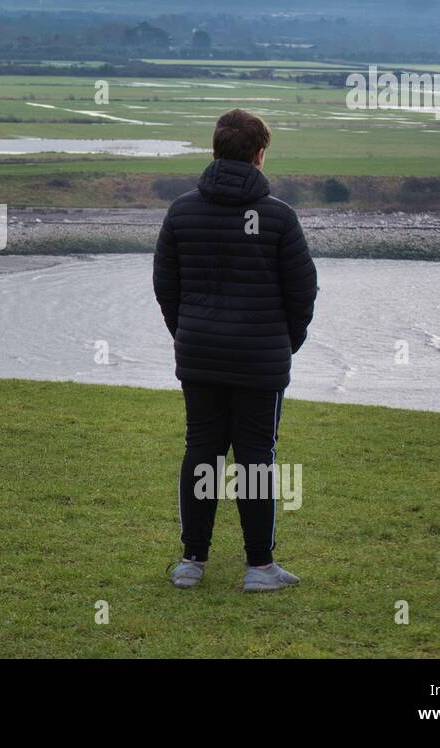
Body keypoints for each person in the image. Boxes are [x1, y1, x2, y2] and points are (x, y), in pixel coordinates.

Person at [153, 109, 317, 592]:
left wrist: (186, 332)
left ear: (214, 149)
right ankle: (259, 567)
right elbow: (302, 292)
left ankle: (191, 561)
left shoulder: (182, 211)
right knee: (256, 457)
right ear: (260, 154)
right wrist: (286, 343)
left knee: (201, 449)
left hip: (200, 353)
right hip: (260, 359)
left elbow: (166, 284)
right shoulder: (279, 217)